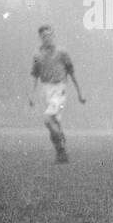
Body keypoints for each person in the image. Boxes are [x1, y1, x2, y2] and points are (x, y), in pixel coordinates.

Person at [28, 24, 86, 163]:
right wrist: (31, 94)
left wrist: (80, 93)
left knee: (48, 119)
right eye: (44, 36)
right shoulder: (37, 54)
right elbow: (35, 75)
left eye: (49, 35)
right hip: (46, 90)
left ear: (53, 36)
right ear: (40, 38)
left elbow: (72, 73)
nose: (47, 38)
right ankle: (61, 152)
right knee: (54, 125)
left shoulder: (62, 52)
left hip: (60, 89)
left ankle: (61, 143)